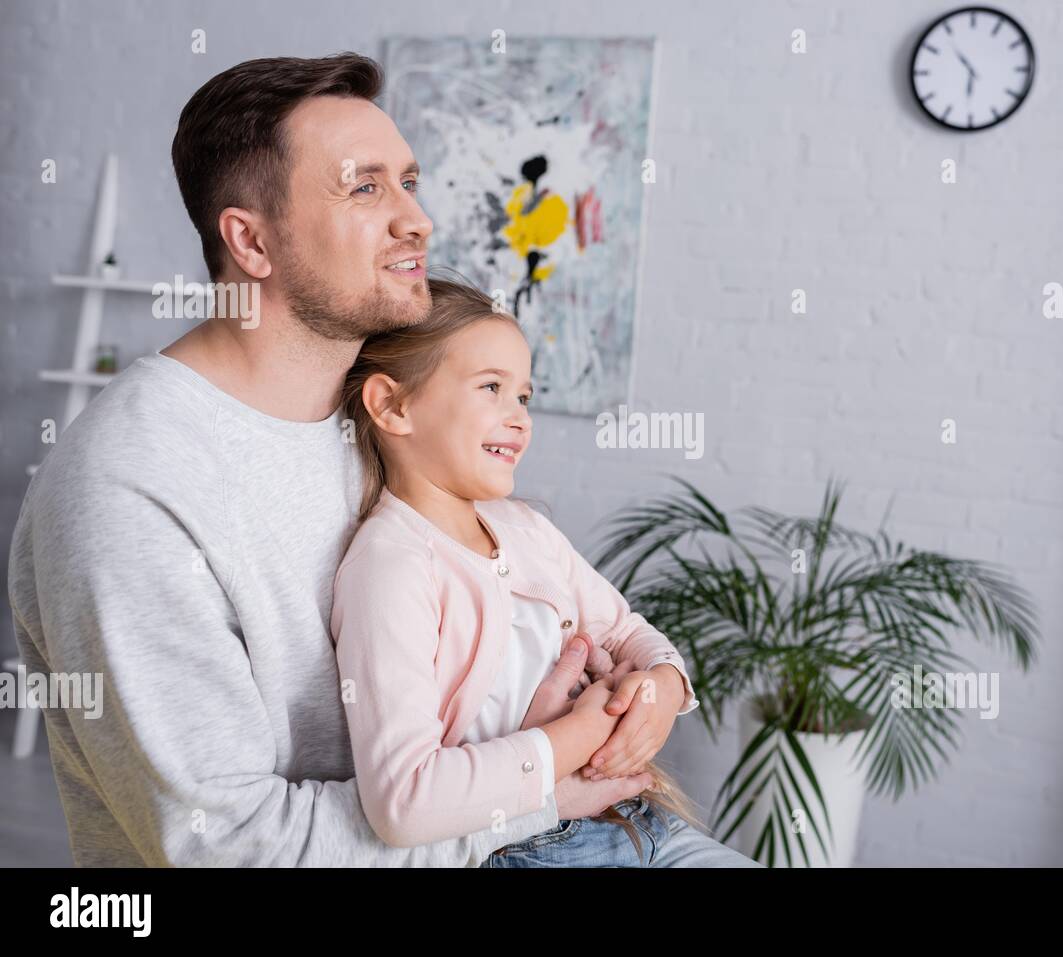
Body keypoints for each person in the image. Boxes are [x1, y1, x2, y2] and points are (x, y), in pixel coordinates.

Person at [5, 53, 650, 867]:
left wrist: (644, 691)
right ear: (251, 241)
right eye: (364, 187)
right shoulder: (128, 487)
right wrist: (537, 785)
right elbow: (235, 848)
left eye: (409, 181)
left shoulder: (383, 414)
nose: (416, 219)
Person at [331, 275, 762, 867]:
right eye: (491, 388)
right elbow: (404, 800)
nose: (520, 418)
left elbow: (627, 631)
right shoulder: (392, 568)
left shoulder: (525, 530)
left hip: (642, 823)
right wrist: (582, 734)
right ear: (393, 405)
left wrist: (662, 687)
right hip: (529, 850)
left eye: (525, 397)